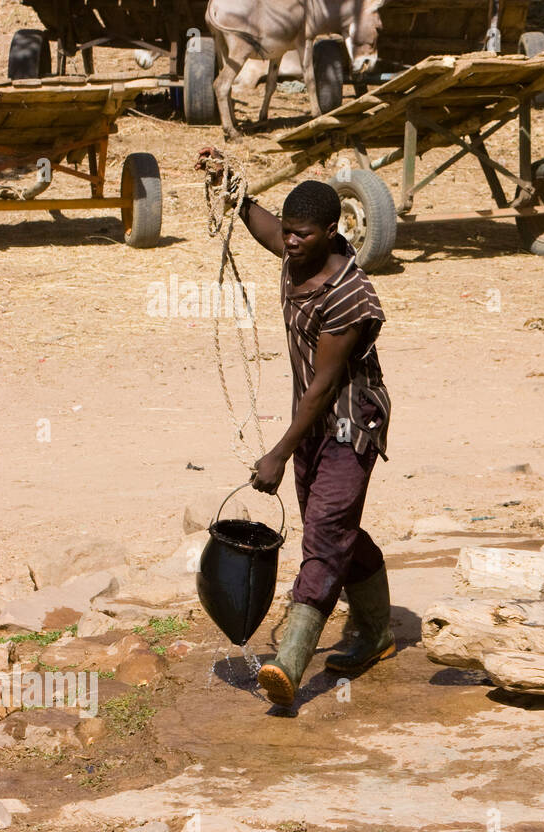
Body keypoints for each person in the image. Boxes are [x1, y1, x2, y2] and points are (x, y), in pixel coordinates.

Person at [196, 148, 394, 710]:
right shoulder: (296, 254)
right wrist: (232, 189)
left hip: (350, 423)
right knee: (332, 528)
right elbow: (263, 226)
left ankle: (290, 663)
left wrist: (278, 453)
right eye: (286, 233)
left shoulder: (351, 298)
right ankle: (376, 631)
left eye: (301, 235)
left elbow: (325, 387)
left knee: (324, 532)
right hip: (310, 420)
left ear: (333, 232)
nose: (288, 242)